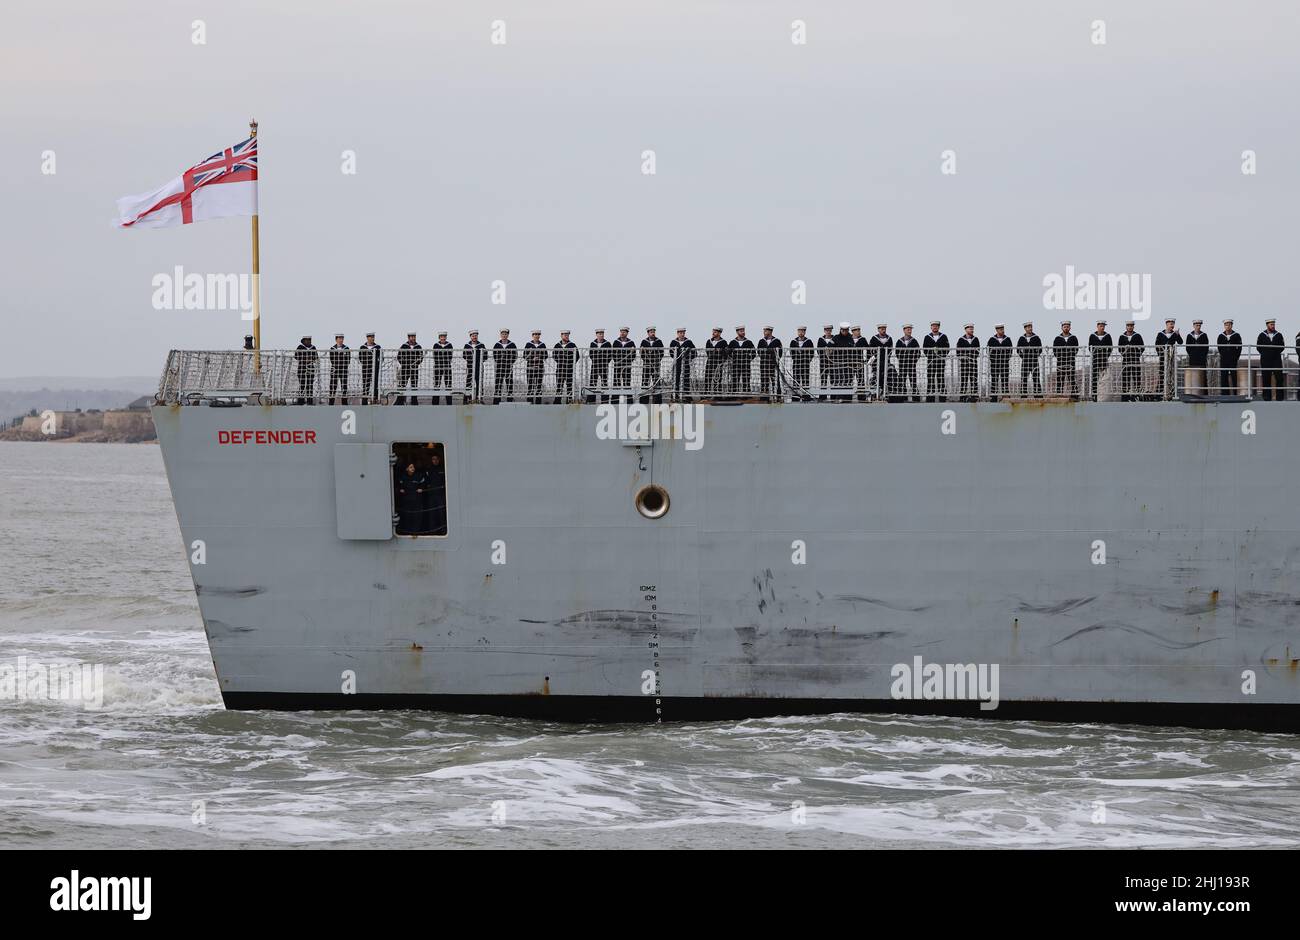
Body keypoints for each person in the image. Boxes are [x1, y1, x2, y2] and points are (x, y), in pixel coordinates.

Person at [394, 462, 427, 536]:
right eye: (411, 467)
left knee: (417, 517)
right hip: (406, 501)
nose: (413, 469)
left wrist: (421, 488)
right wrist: (400, 489)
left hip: (417, 501)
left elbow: (424, 484)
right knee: (407, 516)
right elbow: (397, 485)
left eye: (413, 467)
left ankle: (415, 532)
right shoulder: (402, 477)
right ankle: (407, 532)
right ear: (407, 469)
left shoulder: (419, 476)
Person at [1153, 318, 1182, 399]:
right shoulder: (1160, 334)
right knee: (1162, 374)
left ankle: (1170, 393)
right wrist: (1161, 354)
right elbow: (1157, 345)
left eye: (1173, 324)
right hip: (1163, 357)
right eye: (1170, 324)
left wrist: (1178, 335)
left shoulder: (1174, 334)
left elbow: (1180, 342)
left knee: (1171, 375)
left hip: (1171, 357)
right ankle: (1159, 393)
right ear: (1167, 324)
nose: (1172, 326)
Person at [1258, 318, 1284, 400]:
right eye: (1271, 324)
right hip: (1265, 360)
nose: (1273, 326)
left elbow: (1282, 346)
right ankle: (1266, 397)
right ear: (1267, 325)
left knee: (1279, 378)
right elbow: (1258, 347)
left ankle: (1279, 398)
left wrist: (1274, 352)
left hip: (1276, 360)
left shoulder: (1279, 335)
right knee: (1266, 379)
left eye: (1274, 324)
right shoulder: (1262, 335)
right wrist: (1266, 353)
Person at [1117, 321, 1144, 401]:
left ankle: (1137, 396)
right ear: (1126, 327)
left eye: (1131, 326)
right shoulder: (1122, 336)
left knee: (1137, 378)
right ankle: (1125, 397)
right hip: (1126, 360)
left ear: (1133, 327)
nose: (1130, 327)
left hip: (1135, 359)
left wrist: (1137, 354)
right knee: (1125, 378)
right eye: (1128, 326)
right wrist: (1124, 352)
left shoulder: (1137, 336)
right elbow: (1119, 348)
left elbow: (1142, 347)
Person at [922, 321, 949, 402]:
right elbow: (924, 349)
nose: (935, 327)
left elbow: (947, 348)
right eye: (933, 326)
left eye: (936, 326)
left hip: (940, 361)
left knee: (940, 379)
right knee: (930, 379)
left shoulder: (943, 336)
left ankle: (942, 398)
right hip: (931, 361)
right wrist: (931, 355)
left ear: (939, 327)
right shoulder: (927, 337)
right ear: (931, 327)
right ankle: (930, 398)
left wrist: (941, 355)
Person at [895, 324, 921, 402]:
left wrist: (913, 361)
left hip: (912, 365)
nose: (909, 331)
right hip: (902, 365)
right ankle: (903, 397)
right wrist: (902, 360)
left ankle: (915, 398)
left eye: (910, 329)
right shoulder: (899, 341)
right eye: (908, 329)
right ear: (904, 330)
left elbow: (918, 353)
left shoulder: (914, 341)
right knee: (902, 381)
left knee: (913, 381)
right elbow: (897, 352)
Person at [1088, 321, 1112, 401]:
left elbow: (1110, 347)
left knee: (1105, 377)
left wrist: (1106, 355)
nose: (1102, 327)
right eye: (1101, 326)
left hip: (1104, 360)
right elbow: (1089, 347)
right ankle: (1094, 395)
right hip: (1095, 359)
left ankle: (1103, 395)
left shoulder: (1107, 336)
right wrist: (1095, 354)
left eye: (1103, 326)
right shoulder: (1092, 336)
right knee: (1094, 377)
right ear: (1097, 326)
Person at [1053, 321, 1079, 397]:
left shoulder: (1073, 338)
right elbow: (1055, 350)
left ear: (1070, 328)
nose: (1066, 328)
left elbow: (1076, 348)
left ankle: (1074, 395)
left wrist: (1071, 355)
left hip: (1071, 361)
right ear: (1062, 328)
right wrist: (1059, 356)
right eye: (1064, 327)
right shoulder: (1057, 338)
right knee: (1060, 378)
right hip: (1061, 361)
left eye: (1067, 327)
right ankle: (1059, 395)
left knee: (1072, 378)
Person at [424, 451, 447, 536]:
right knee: (432, 514)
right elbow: (426, 482)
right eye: (433, 459)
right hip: (431, 495)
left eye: (436, 459)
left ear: (439, 459)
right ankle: (432, 531)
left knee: (441, 513)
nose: (435, 460)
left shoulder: (443, 469)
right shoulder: (428, 469)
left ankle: (443, 531)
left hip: (441, 495)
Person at [396, 332, 423, 405]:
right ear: (408, 338)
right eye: (411, 337)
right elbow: (399, 356)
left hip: (414, 369)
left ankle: (414, 402)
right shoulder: (404, 346)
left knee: (414, 385)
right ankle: (400, 401)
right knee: (402, 385)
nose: (413, 338)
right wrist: (405, 364)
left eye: (414, 337)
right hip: (405, 369)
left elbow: (421, 358)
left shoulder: (418, 347)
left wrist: (415, 364)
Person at [867, 324, 892, 400]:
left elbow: (890, 350)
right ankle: (874, 394)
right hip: (876, 362)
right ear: (878, 330)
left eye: (884, 329)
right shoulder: (874, 338)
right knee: (875, 377)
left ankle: (884, 393)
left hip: (885, 361)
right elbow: (870, 349)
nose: (883, 330)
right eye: (881, 329)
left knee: (885, 377)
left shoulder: (889, 338)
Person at [640, 327, 665, 403]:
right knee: (645, 381)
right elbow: (641, 353)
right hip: (646, 365)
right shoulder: (644, 341)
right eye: (651, 332)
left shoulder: (659, 341)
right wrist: (646, 359)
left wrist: (657, 360)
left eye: (653, 332)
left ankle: (657, 400)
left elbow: (662, 352)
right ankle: (644, 400)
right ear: (648, 333)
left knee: (656, 382)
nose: (652, 333)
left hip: (655, 365)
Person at [1017, 322, 1042, 398]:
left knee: (1036, 378)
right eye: (1028, 327)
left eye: (1031, 327)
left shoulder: (1036, 337)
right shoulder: (1021, 338)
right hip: (1025, 361)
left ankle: (1038, 395)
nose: (1030, 328)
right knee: (1024, 378)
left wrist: (1035, 355)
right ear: (1025, 329)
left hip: (1034, 361)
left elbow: (1040, 349)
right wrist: (1023, 356)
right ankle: (1023, 395)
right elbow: (1018, 349)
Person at [492, 329, 518, 403]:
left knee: (509, 383)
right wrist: (499, 360)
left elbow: (515, 355)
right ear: (500, 335)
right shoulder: (497, 344)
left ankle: (509, 400)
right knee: (498, 383)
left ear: (508, 335)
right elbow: (494, 355)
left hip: (508, 367)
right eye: (502, 334)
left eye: (505, 334)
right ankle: (496, 401)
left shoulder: (512, 344)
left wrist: (510, 362)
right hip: (499, 367)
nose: (504, 335)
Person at [987, 324, 1012, 400]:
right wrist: (993, 359)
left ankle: (1005, 396)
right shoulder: (992, 339)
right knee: (994, 379)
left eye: (1003, 329)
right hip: (995, 363)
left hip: (1004, 363)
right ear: (997, 330)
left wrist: (1006, 358)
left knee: (1005, 379)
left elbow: (1010, 350)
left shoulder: (1007, 339)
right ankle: (994, 397)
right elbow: (989, 351)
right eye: (1001, 329)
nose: (1002, 331)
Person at [955, 323, 979, 401]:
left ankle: (974, 396)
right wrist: (965, 357)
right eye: (970, 329)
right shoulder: (961, 339)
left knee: (974, 379)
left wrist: (972, 357)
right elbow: (958, 352)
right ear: (966, 329)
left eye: (972, 328)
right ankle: (962, 396)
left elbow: (977, 350)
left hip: (973, 363)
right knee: (964, 379)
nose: (972, 330)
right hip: (964, 364)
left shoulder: (975, 339)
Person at [1184, 319, 1209, 395]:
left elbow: (1206, 347)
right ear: (1193, 326)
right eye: (1196, 325)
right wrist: (1192, 354)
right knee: (1193, 376)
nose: (1198, 327)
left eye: (1199, 325)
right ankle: (1193, 393)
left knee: (1203, 375)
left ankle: (1204, 393)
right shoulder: (1189, 336)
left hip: (1201, 359)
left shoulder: (1204, 335)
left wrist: (1202, 355)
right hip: (1193, 359)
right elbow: (1187, 348)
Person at [789, 326, 814, 399]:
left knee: (805, 379)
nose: (801, 333)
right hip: (796, 363)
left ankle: (805, 395)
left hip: (805, 364)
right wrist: (796, 359)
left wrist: (807, 360)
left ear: (805, 332)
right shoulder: (793, 341)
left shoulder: (808, 341)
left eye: (802, 331)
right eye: (799, 331)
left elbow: (811, 352)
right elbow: (791, 352)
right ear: (797, 332)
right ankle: (796, 395)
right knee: (796, 379)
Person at [757, 326, 783, 398]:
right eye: (764, 331)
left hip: (773, 363)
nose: (764, 332)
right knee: (764, 378)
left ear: (770, 331)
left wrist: (776, 358)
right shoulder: (761, 341)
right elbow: (758, 351)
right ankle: (764, 395)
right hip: (764, 363)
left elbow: (780, 351)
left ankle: (776, 394)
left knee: (774, 379)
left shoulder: (776, 341)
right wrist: (763, 356)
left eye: (765, 331)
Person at [1217, 319, 1242, 395]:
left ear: (1231, 325)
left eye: (1229, 324)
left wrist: (1236, 356)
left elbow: (1239, 347)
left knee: (1234, 376)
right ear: (1224, 326)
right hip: (1224, 359)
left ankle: (1235, 393)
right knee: (1224, 376)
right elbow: (1219, 347)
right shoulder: (1221, 336)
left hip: (1233, 359)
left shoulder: (1236, 335)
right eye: (1226, 325)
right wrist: (1224, 354)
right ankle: (1225, 394)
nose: (1228, 326)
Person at [612, 327, 637, 402]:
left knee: (627, 382)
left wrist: (628, 361)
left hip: (627, 365)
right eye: (621, 332)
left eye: (624, 332)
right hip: (618, 365)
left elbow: (634, 354)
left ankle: (629, 401)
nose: (622, 333)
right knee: (616, 382)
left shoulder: (631, 343)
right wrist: (617, 360)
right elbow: (612, 353)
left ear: (627, 333)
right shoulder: (616, 342)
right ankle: (615, 401)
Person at [669, 328, 695, 399]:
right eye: (680, 333)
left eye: (683, 333)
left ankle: (686, 395)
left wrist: (688, 354)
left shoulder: (688, 342)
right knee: (675, 378)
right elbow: (671, 353)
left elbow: (694, 353)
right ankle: (674, 394)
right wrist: (676, 354)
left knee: (686, 378)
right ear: (677, 333)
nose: (682, 334)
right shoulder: (673, 342)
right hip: (677, 363)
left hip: (686, 363)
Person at [729, 326, 756, 395]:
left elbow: (754, 353)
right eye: (741, 331)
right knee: (735, 379)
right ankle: (734, 394)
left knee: (746, 379)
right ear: (737, 332)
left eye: (743, 331)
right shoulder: (732, 342)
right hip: (735, 364)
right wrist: (733, 359)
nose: (743, 332)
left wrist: (748, 359)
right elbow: (728, 353)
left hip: (745, 364)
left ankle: (746, 394)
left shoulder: (749, 342)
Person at [553, 330, 577, 403]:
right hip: (560, 368)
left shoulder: (572, 345)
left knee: (569, 386)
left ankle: (569, 401)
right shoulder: (557, 345)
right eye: (565, 335)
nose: (566, 336)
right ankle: (557, 401)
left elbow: (577, 356)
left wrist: (570, 362)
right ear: (561, 335)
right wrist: (560, 361)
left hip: (569, 369)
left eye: (567, 335)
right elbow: (554, 355)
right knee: (559, 386)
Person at [588, 329, 612, 403]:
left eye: (602, 334)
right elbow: (591, 354)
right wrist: (595, 360)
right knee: (592, 382)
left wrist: (605, 362)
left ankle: (605, 400)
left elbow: (610, 355)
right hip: (595, 365)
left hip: (604, 366)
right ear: (597, 335)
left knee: (604, 383)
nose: (601, 335)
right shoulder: (593, 343)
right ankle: (591, 400)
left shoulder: (607, 343)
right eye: (600, 334)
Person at [430, 331, 454, 405]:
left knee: (448, 385)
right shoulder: (436, 345)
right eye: (441, 337)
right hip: (438, 366)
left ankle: (449, 403)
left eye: (444, 337)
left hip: (447, 367)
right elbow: (435, 355)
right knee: (437, 384)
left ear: (446, 337)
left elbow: (450, 356)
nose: (443, 338)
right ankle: (435, 403)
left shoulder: (449, 345)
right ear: (439, 337)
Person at [523, 330, 548, 403]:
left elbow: (546, 355)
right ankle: (529, 402)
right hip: (530, 368)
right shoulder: (528, 344)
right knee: (530, 385)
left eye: (538, 334)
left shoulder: (542, 345)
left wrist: (540, 357)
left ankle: (538, 402)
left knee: (539, 386)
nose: (536, 336)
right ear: (532, 335)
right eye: (535, 334)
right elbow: (524, 356)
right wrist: (531, 358)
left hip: (539, 367)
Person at [704, 327, 729, 397]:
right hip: (710, 362)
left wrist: (720, 351)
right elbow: (707, 351)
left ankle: (717, 394)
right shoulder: (709, 341)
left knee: (718, 378)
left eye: (715, 332)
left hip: (719, 362)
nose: (713, 333)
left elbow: (726, 352)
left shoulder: (723, 342)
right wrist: (714, 351)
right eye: (713, 331)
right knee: (707, 377)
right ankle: (707, 393)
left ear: (719, 333)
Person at [463, 330, 486, 402]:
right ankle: (467, 399)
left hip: (479, 367)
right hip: (470, 367)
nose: (474, 337)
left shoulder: (481, 345)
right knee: (469, 382)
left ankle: (479, 398)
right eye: (473, 336)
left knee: (479, 382)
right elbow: (464, 355)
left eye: (475, 335)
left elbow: (485, 356)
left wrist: (479, 360)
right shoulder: (467, 345)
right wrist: (470, 360)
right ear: (470, 337)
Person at [358, 332, 381, 404]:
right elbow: (360, 358)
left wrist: (376, 364)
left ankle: (375, 399)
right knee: (365, 383)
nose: (372, 338)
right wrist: (365, 363)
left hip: (375, 368)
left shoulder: (378, 347)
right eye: (370, 337)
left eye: (373, 337)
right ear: (367, 338)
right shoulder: (362, 347)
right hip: (365, 368)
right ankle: (364, 400)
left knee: (375, 383)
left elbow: (380, 358)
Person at [295, 335, 318, 405]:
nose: (308, 341)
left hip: (310, 367)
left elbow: (316, 356)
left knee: (309, 384)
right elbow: (296, 356)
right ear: (304, 340)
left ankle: (309, 401)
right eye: (307, 340)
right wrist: (304, 358)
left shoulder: (313, 347)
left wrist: (311, 358)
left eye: (309, 340)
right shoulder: (300, 347)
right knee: (302, 384)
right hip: (301, 367)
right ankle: (300, 401)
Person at [328, 333, 350, 405]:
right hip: (335, 369)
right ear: (336, 339)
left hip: (343, 369)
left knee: (344, 386)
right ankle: (331, 403)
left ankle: (344, 403)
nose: (341, 340)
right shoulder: (332, 348)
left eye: (342, 338)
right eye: (339, 338)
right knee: (333, 386)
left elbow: (348, 359)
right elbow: (332, 359)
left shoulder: (346, 348)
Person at [815, 325, 836, 400]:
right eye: (827, 330)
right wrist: (825, 353)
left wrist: (831, 353)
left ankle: (833, 396)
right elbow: (818, 350)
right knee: (823, 379)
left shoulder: (834, 338)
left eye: (829, 330)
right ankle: (822, 396)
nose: (828, 332)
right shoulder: (821, 339)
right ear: (824, 331)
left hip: (833, 362)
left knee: (833, 379)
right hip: (823, 362)